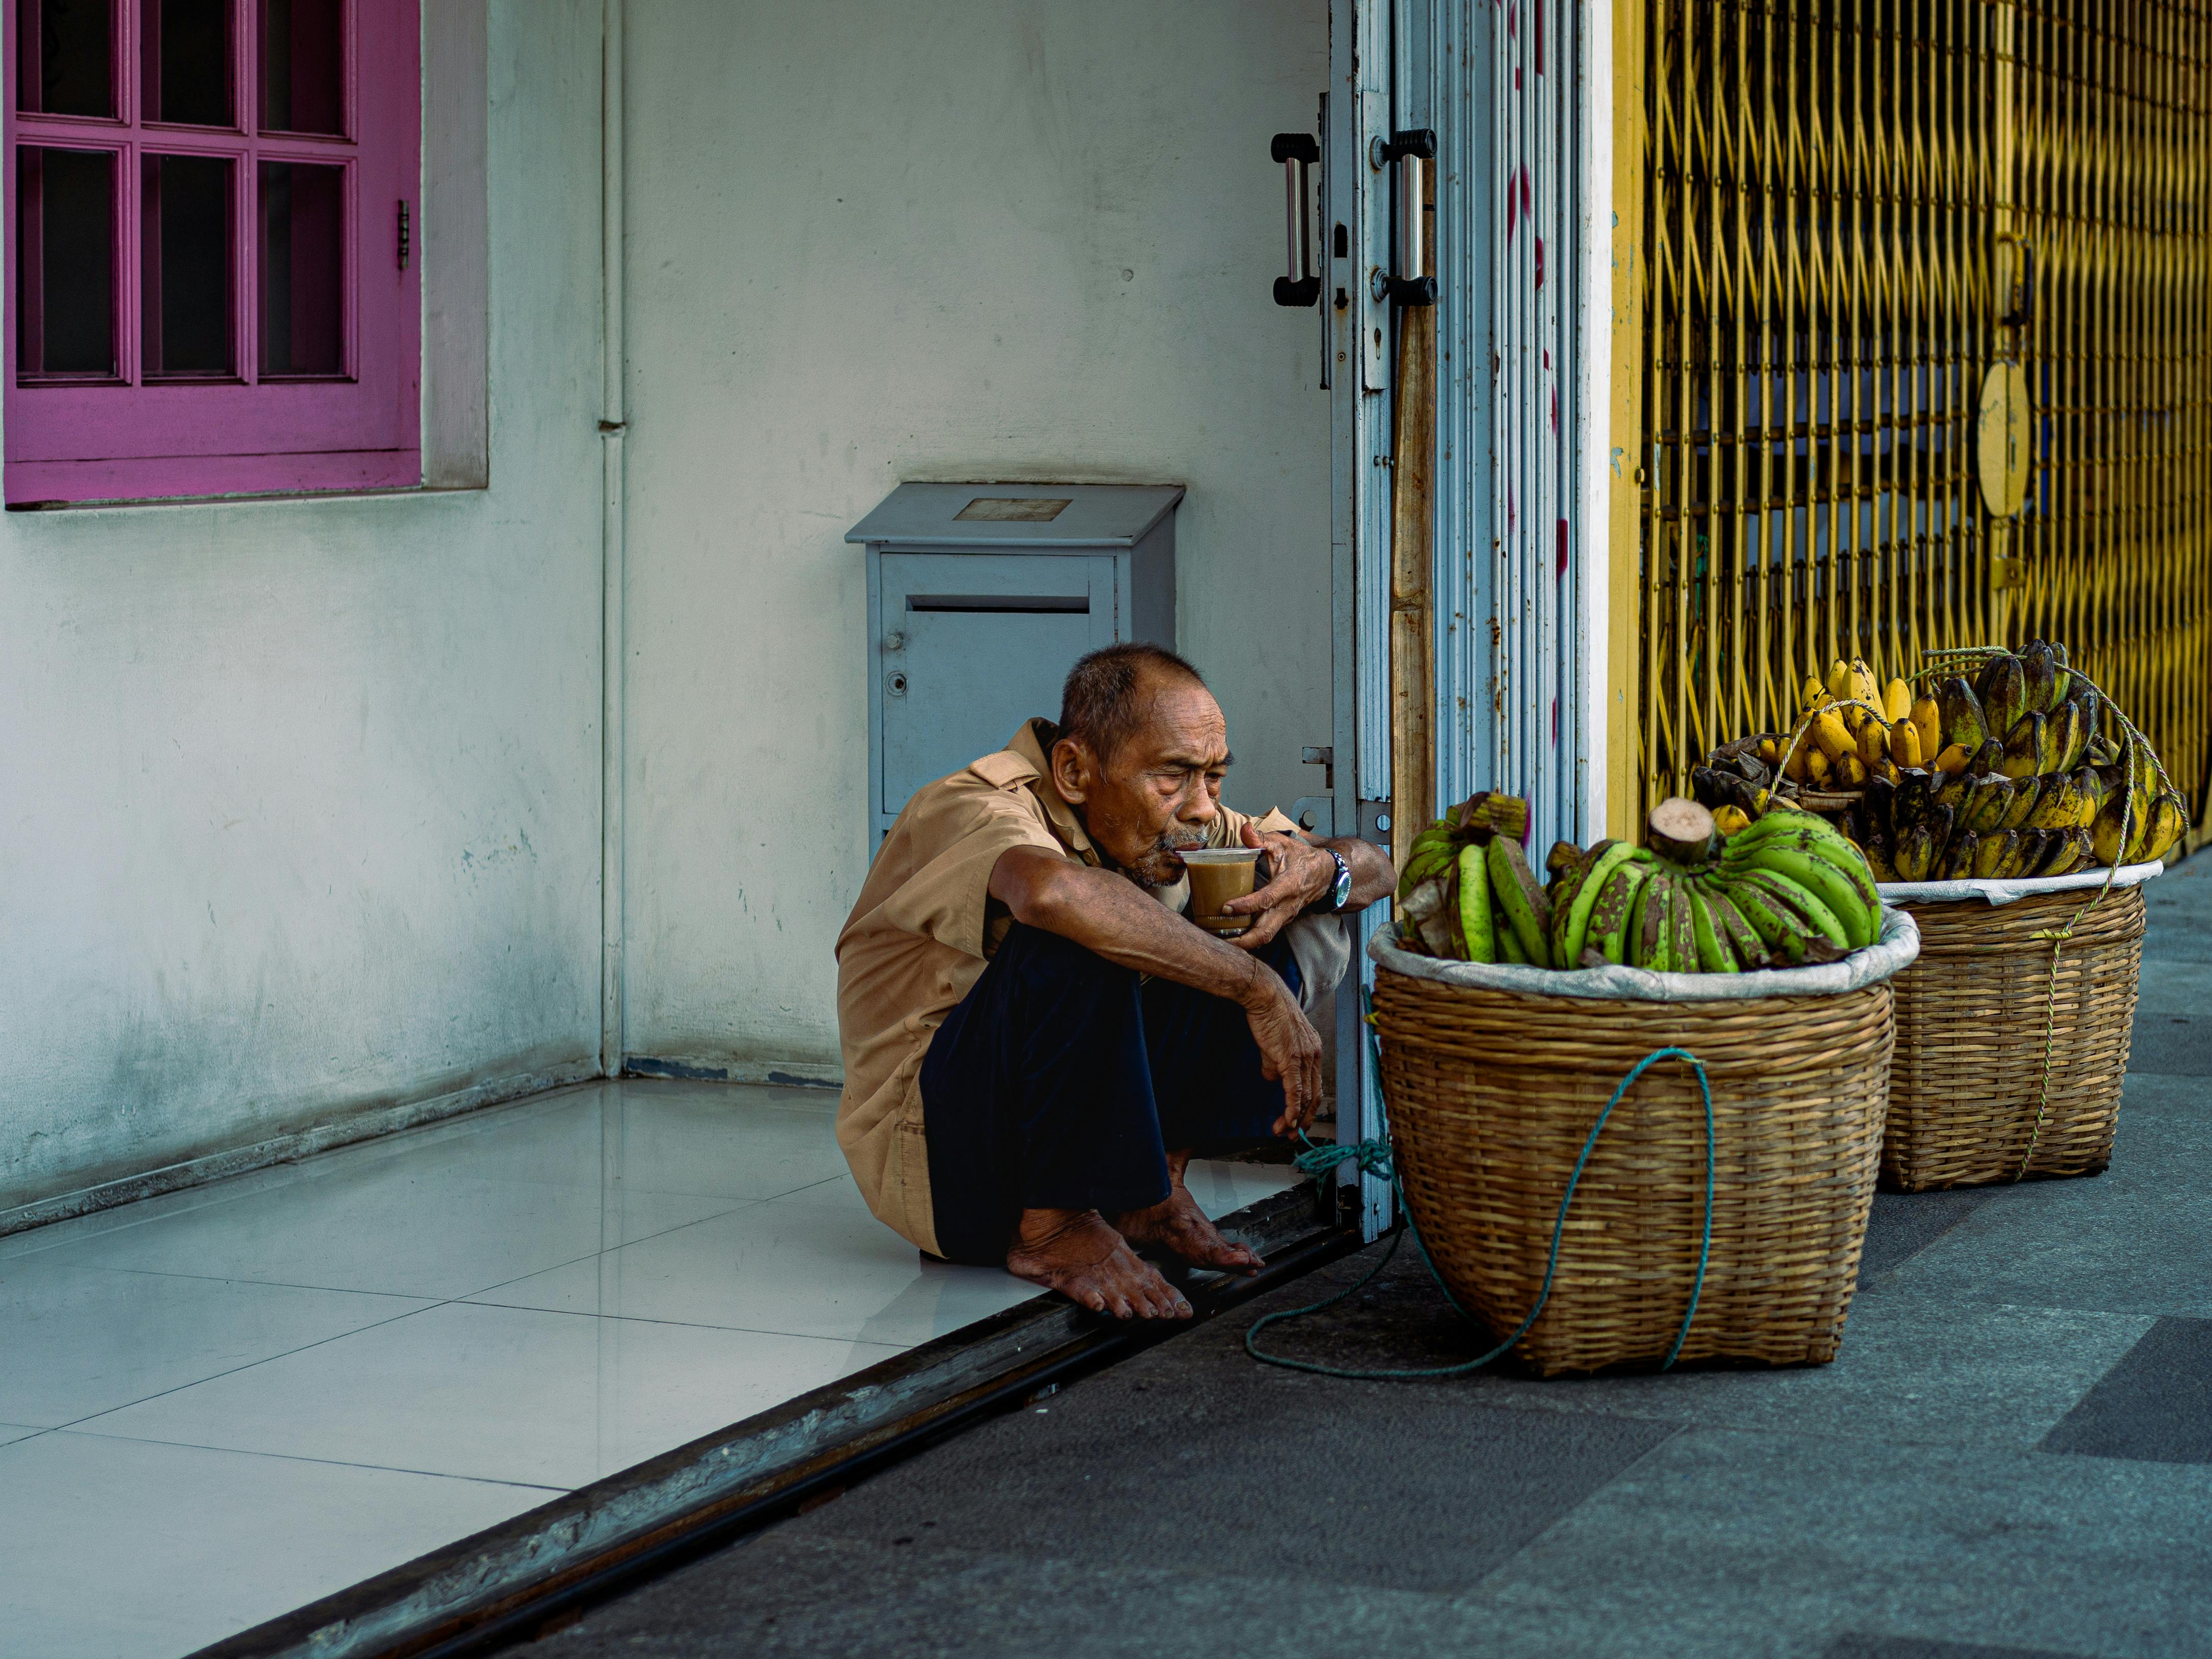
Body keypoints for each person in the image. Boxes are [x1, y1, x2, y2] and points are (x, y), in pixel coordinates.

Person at [834, 643, 1396, 1319]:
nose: (1199, 806)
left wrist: (1318, 872)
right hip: (942, 1160)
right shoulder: (973, 806)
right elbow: (1051, 895)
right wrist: (1254, 987)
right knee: (1084, 922)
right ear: (1074, 769)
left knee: (1278, 908)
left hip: (1048, 1128)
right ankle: (1052, 1226)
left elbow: (1377, 869)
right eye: (1174, 776)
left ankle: (1152, 1188)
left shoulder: (1188, 815)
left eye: (1213, 777)